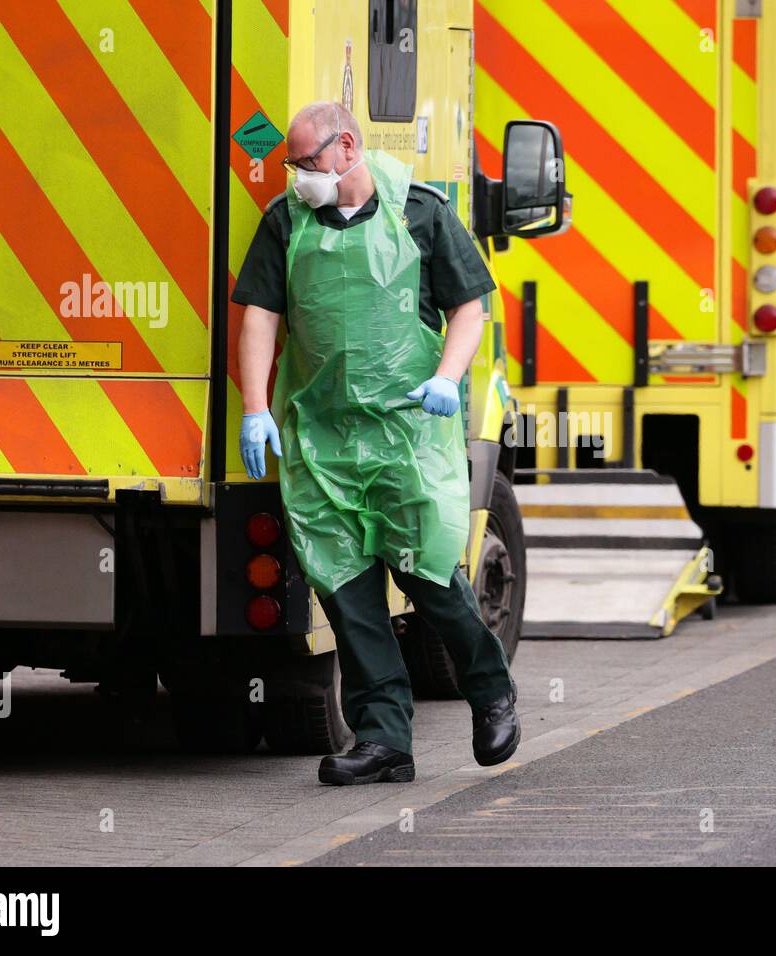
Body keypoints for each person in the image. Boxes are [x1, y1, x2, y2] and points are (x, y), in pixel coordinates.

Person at [233, 101, 519, 786]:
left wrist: (450, 377)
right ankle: (384, 738)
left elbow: (469, 308)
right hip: (325, 440)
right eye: (293, 167)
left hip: (407, 435)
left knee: (431, 579)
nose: (299, 177)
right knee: (348, 594)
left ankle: (493, 693)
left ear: (348, 146)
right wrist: (253, 409)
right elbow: (260, 319)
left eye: (306, 163)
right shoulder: (286, 224)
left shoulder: (419, 213)